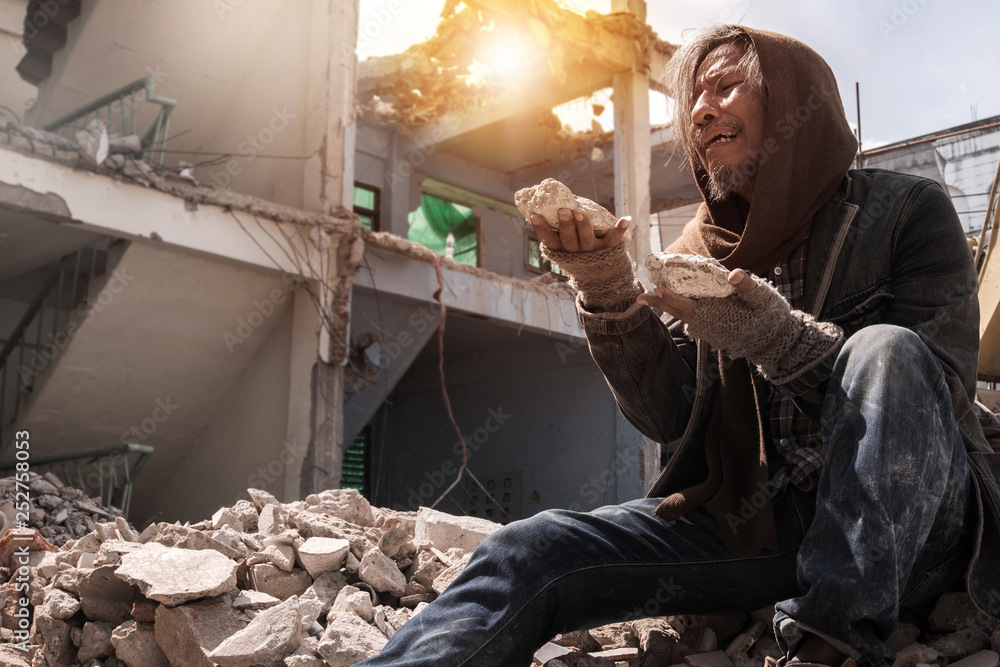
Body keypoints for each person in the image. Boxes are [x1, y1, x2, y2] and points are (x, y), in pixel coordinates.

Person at [359, 25, 1000, 667]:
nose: (700, 110)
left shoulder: (907, 213)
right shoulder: (695, 253)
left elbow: (935, 394)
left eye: (726, 87)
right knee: (532, 547)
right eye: (694, 98)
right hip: (760, 525)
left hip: (916, 527)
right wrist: (606, 288)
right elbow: (669, 416)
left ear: (792, 102)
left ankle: (829, 639)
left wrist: (776, 338)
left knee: (885, 349)